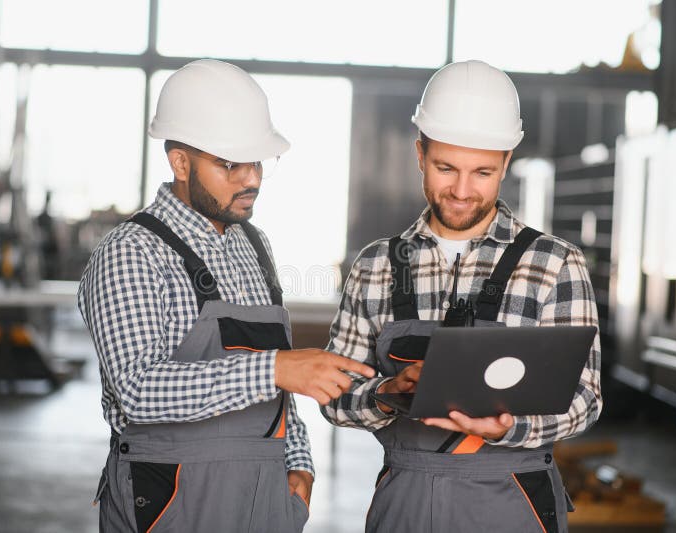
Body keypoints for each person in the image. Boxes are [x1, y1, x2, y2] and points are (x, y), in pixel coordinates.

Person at [78, 59, 375, 533]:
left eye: (257, 161)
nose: (251, 179)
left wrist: (298, 461)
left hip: (265, 499)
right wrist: (276, 368)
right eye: (230, 164)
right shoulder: (131, 252)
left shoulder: (253, 244)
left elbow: (279, 380)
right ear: (180, 161)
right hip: (171, 502)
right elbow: (135, 390)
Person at [322, 60, 602, 533]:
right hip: (404, 501)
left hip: (512, 499)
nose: (461, 190)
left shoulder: (555, 263)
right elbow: (335, 398)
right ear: (419, 152)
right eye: (445, 167)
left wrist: (510, 428)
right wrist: (387, 393)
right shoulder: (375, 267)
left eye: (482, 172)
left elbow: (586, 398)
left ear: (506, 163)